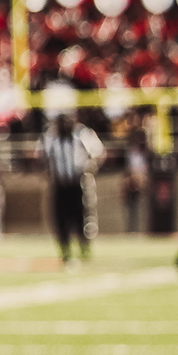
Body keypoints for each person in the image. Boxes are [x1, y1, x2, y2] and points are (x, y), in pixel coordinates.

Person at [37, 109, 101, 265]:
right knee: (59, 221)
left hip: (77, 184)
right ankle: (65, 253)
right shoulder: (50, 137)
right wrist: (46, 172)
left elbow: (98, 153)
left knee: (81, 219)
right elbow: (41, 157)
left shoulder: (82, 135)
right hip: (59, 185)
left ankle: (84, 250)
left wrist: (90, 167)